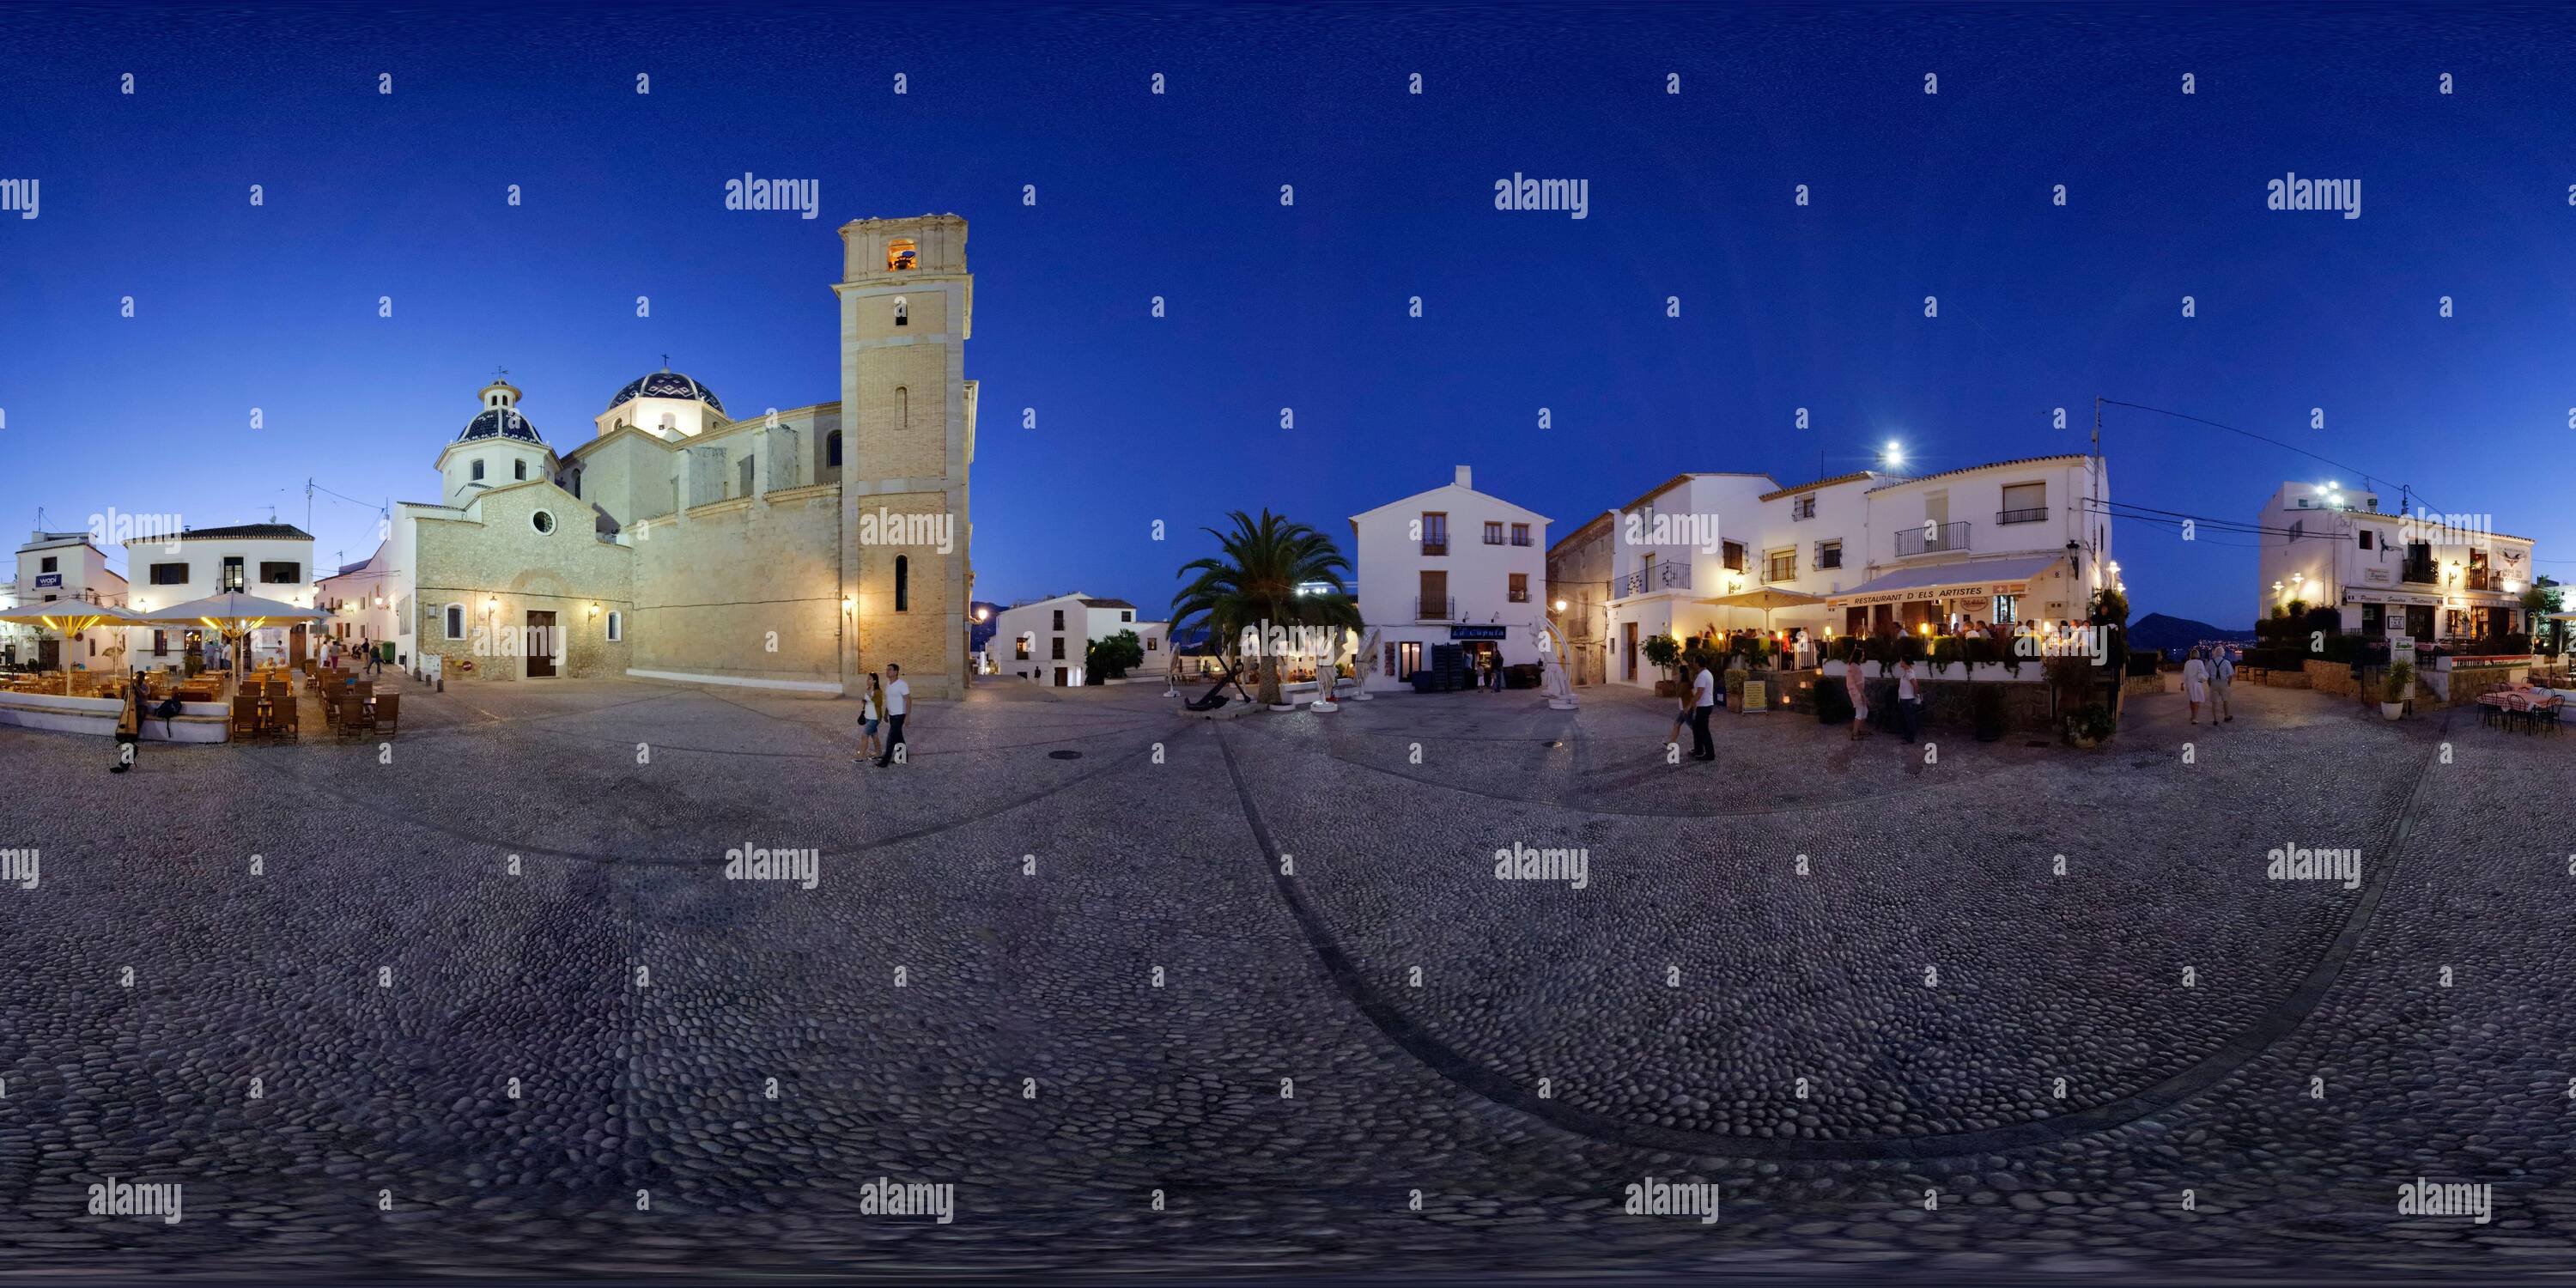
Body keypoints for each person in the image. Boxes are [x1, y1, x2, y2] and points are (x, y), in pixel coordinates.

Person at [874, 663, 908, 767]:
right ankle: (903, 757)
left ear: (895, 672)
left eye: (889, 670)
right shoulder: (889, 684)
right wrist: (886, 714)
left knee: (891, 738)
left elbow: (909, 700)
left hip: (899, 715)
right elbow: (889, 701)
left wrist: (908, 716)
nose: (887, 671)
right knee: (899, 737)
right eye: (887, 669)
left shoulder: (902, 684)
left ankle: (885, 761)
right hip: (892, 715)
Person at [1688, 651, 1716, 762]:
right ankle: (1698, 749)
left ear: (1698, 663)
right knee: (1697, 728)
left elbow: (1699, 692)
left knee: (1703, 730)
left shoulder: (1703, 676)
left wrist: (1690, 704)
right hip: (1705, 705)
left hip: (1704, 706)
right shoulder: (1706, 674)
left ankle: (1710, 755)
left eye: (1694, 662)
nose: (1693, 664)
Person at [856, 671, 884, 762]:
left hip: (874, 718)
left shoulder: (878, 691)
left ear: (875, 681)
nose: (867, 680)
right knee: (874, 736)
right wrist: (865, 701)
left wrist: (869, 696)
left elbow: (879, 703)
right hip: (867, 716)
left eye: (870, 679)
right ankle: (879, 753)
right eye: (867, 678)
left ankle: (861, 756)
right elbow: (869, 702)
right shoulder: (868, 689)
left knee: (864, 736)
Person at [1844, 647, 1870, 740]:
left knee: (1864, 711)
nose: (1863, 657)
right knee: (1860, 712)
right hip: (1856, 693)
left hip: (1856, 692)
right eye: (1862, 655)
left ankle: (1860, 730)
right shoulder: (1855, 667)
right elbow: (1858, 684)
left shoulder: (1854, 666)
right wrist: (1864, 696)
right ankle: (1855, 734)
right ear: (1858, 656)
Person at [1895, 655, 1923, 742]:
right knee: (1906, 718)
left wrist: (1916, 694)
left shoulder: (1909, 673)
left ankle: (1910, 738)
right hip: (1904, 699)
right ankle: (1907, 735)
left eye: (1901, 660)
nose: (1900, 662)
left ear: (1904, 662)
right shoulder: (1906, 672)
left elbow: (1915, 684)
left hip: (1908, 699)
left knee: (1909, 719)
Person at [2181, 647, 2210, 725]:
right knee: (2196, 701)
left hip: (2189, 684)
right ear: (2198, 655)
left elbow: (2185, 674)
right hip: (2197, 683)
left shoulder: (2187, 663)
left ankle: (2192, 715)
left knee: (2192, 699)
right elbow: (2203, 673)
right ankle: (2194, 718)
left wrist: (2182, 684)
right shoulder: (2200, 662)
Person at [2209, 645, 2235, 722]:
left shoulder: (2211, 662)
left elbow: (2207, 675)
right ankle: (2226, 716)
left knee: (2214, 702)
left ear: (2215, 653)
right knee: (2226, 700)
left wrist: (2209, 684)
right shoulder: (2227, 662)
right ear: (2223, 653)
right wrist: (2229, 684)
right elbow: (2230, 675)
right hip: (2224, 682)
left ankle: (2215, 719)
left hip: (2214, 682)